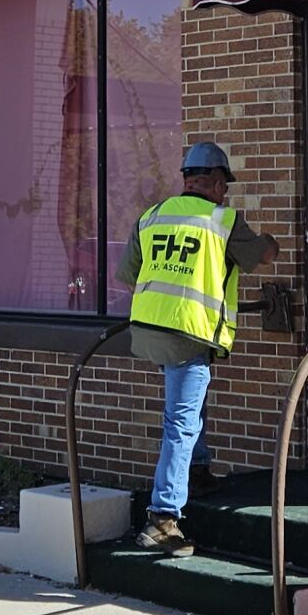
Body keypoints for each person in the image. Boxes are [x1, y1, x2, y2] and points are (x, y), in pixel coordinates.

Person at [115, 141, 279, 557]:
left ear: (187, 179)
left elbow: (129, 274)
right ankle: (162, 519)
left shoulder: (153, 215)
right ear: (217, 182)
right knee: (181, 423)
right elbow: (262, 256)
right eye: (225, 186)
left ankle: (198, 470)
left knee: (189, 402)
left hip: (150, 330)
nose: (225, 193)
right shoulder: (223, 220)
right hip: (188, 335)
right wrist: (270, 241)